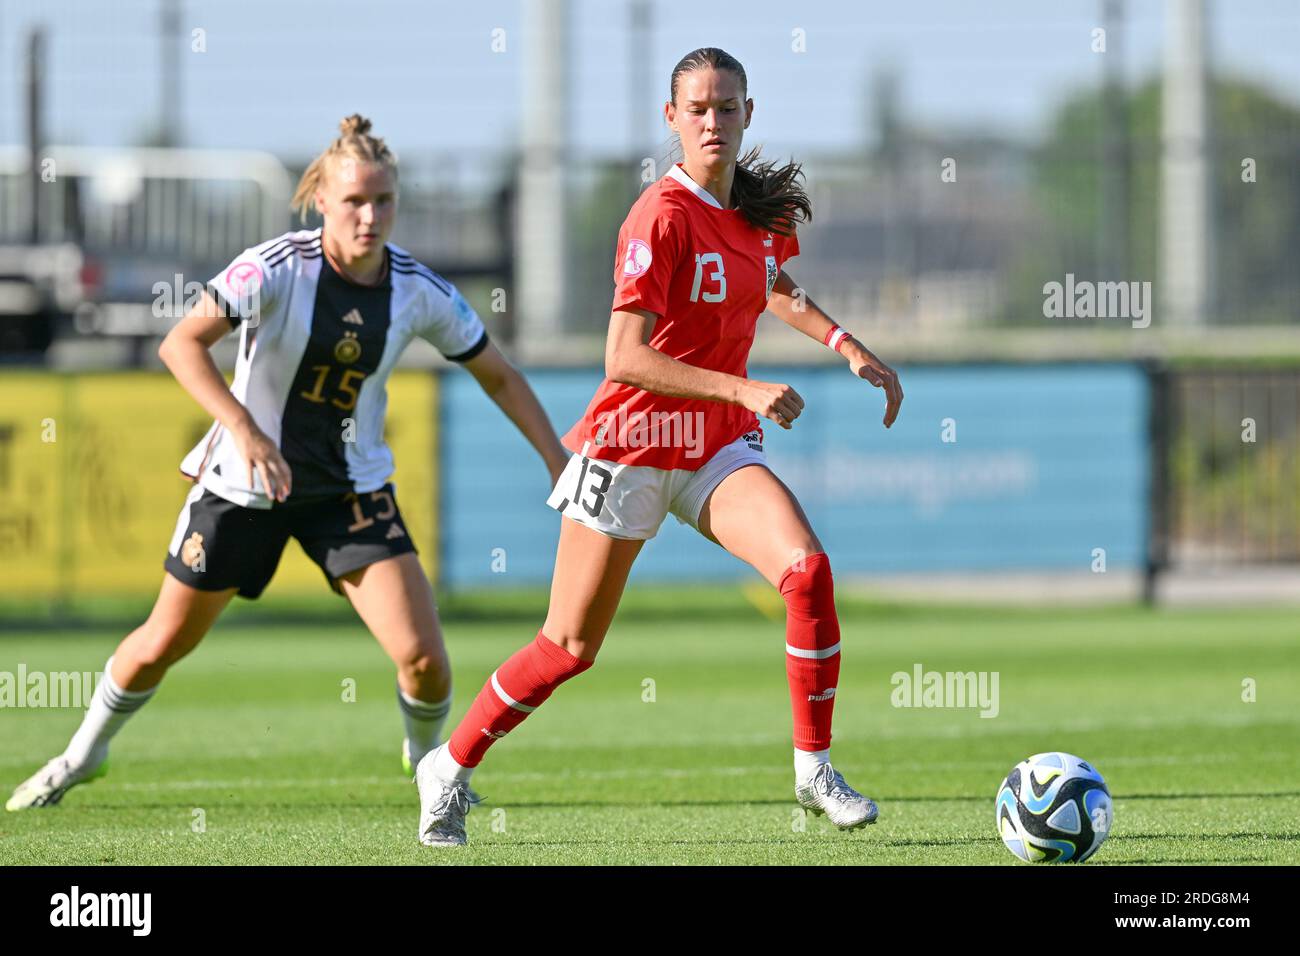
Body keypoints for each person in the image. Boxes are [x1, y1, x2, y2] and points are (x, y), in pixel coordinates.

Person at [7, 114, 570, 811]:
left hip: (348, 490)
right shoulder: (276, 266)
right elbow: (182, 343)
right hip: (244, 487)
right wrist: (243, 430)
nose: (370, 216)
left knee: (425, 661)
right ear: (322, 202)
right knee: (159, 645)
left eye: (384, 200)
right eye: (354, 202)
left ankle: (428, 767)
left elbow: (500, 375)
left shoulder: (418, 289)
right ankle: (80, 756)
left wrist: (558, 459)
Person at [415, 49, 903, 847]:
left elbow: (773, 285)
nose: (714, 121)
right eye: (699, 109)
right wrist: (742, 389)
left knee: (807, 571)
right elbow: (624, 359)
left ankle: (812, 768)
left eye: (729, 107)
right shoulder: (660, 215)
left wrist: (845, 343)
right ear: (672, 119)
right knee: (568, 648)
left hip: (712, 446)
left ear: (750, 113)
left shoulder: (756, 210)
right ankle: (450, 766)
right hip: (635, 441)